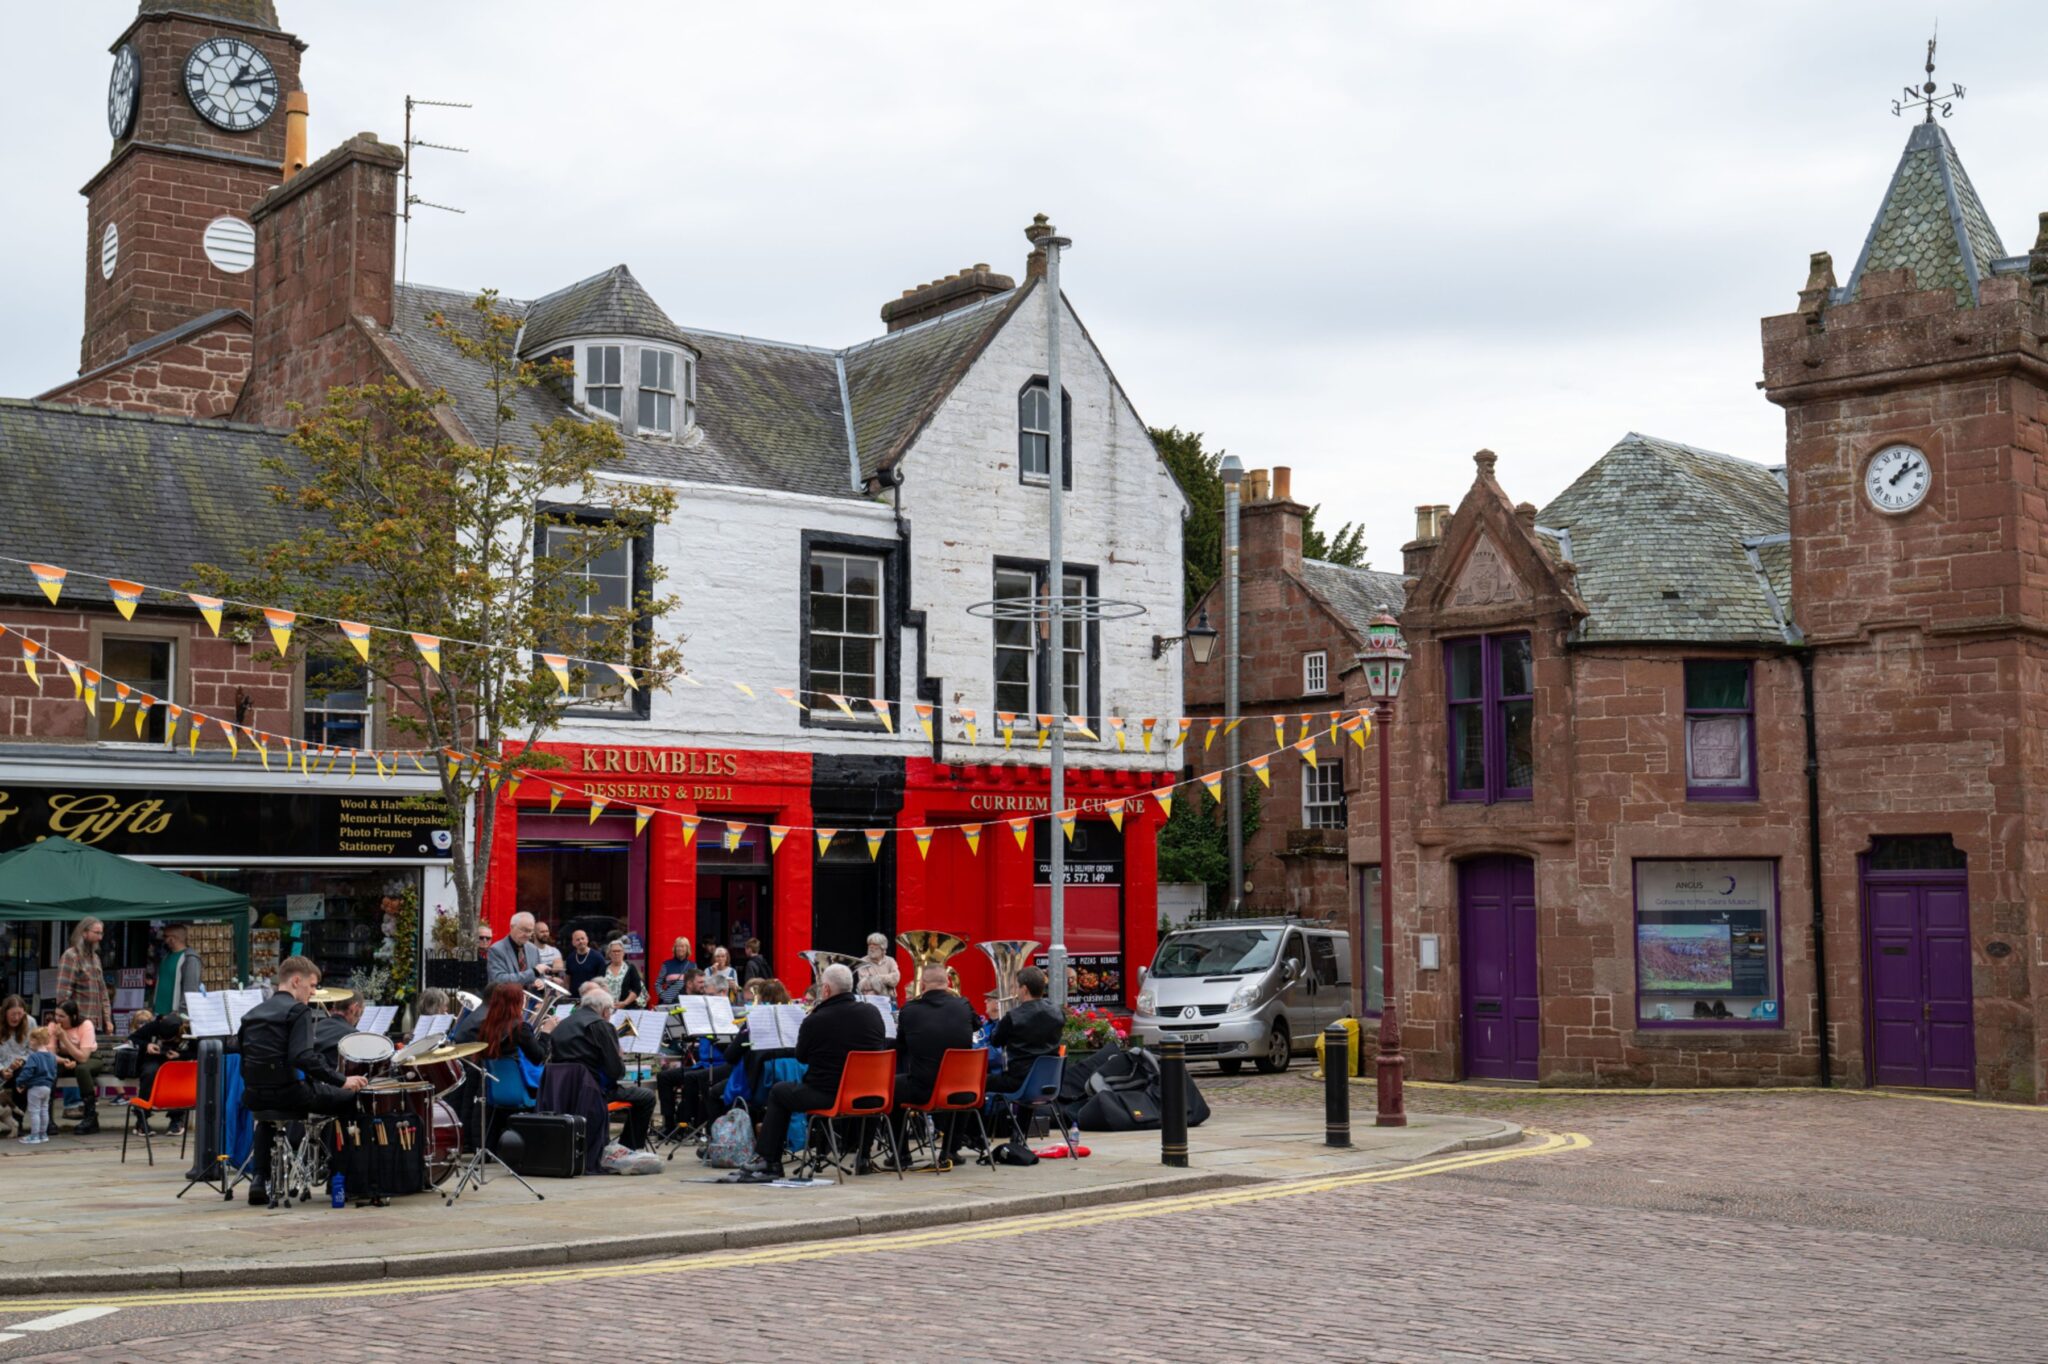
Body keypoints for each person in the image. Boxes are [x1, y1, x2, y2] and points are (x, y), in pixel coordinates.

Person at [237, 956, 368, 1206]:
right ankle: (341, 1179)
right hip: (290, 1094)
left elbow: (242, 1052)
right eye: (312, 986)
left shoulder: (252, 1014)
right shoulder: (298, 1011)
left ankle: (259, 1179)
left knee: (267, 1118)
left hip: (254, 1095)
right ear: (296, 981)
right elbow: (303, 1057)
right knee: (351, 1099)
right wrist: (341, 1081)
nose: (314, 992)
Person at [738, 963, 886, 1182]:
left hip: (830, 1096)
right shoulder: (872, 1012)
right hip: (871, 1096)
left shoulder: (816, 1019)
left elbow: (801, 1056)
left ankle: (769, 1160)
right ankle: (863, 1158)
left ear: (825, 990)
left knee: (780, 1092)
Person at [547, 985, 655, 1151]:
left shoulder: (561, 1025)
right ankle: (627, 1149)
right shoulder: (602, 1026)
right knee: (646, 1096)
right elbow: (615, 1073)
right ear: (605, 1010)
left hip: (562, 1094)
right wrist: (619, 1056)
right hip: (593, 1093)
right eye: (611, 1011)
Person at [891, 963, 977, 1165]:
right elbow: (976, 1025)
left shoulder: (909, 1010)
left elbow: (901, 1047)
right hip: (962, 1090)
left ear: (922, 985)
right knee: (961, 1084)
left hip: (925, 1090)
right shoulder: (964, 1004)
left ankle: (901, 1155)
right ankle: (950, 1151)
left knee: (891, 1087)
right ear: (947, 983)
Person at [990, 965, 1062, 1092]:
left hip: (1020, 1082)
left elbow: (995, 1041)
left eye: (1017, 987)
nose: (1016, 991)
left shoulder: (1013, 1017)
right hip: (1049, 1080)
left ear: (1024, 989)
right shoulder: (1057, 1012)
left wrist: (999, 1019)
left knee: (983, 1081)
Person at [128, 1009, 192, 1135]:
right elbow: (133, 1038)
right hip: (153, 1059)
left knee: (178, 1076)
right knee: (149, 1073)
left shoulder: (188, 1031)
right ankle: (142, 1118)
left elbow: (197, 1051)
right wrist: (147, 1045)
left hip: (176, 1060)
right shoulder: (155, 1025)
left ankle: (176, 1118)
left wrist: (180, 1054)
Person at [51, 999, 103, 1135]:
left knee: (82, 1069)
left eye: (62, 1016)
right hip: (64, 1059)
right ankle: (47, 1118)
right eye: (56, 1015)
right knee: (49, 1069)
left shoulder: (85, 1025)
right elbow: (50, 1055)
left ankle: (90, 1117)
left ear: (73, 1017)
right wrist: (63, 1060)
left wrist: (64, 1039)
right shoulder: (53, 1026)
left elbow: (83, 1057)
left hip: (90, 1058)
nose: (58, 1019)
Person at [57, 917, 111, 1036]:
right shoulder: (71, 956)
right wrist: (67, 1023)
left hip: (97, 1025)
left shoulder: (95, 958)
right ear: (84, 933)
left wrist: (107, 1020)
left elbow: (103, 993)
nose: (100, 937)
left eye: (101, 933)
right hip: (78, 1025)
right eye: (96, 933)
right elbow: (63, 994)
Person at [151, 924, 204, 1019]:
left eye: (165, 936)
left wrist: (181, 1013)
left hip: (176, 1016)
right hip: (160, 1014)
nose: (163, 939)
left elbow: (191, 989)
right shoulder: (166, 957)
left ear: (172, 938)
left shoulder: (190, 959)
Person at [14, 1027, 57, 1145]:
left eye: (31, 1040)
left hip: (35, 1087)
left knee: (34, 1111)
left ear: (37, 1041)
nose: (29, 1043)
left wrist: (19, 1082)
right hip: (47, 1087)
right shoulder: (52, 1056)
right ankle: (43, 1134)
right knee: (44, 1110)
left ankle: (34, 1136)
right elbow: (54, 1072)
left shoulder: (34, 1057)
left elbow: (27, 1071)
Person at [0, 995, 32, 1135]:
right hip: (2, 1064)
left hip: (20, 1065)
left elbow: (34, 1049)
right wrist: (2, 1069)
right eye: (13, 1014)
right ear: (4, 1012)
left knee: (23, 1077)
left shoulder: (30, 1023)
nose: (16, 1018)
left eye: (20, 1014)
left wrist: (22, 1060)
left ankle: (18, 1121)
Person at [486, 912, 545, 988]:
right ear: (511, 927)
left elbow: (540, 975)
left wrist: (540, 982)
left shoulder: (533, 949)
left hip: (530, 998)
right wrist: (533, 972)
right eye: (523, 930)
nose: (527, 934)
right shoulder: (496, 949)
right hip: (506, 998)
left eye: (530, 931)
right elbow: (499, 980)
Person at [312, 991, 363, 1072]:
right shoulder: (352, 1036)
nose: (359, 1017)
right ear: (354, 1008)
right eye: (361, 1011)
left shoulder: (313, 1026)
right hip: (333, 1081)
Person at [599, 938, 645, 1009]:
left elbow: (636, 989)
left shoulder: (630, 968)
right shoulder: (603, 969)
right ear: (609, 953)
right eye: (613, 951)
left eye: (619, 951)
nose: (616, 953)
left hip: (626, 1008)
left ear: (623, 953)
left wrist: (625, 1003)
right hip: (607, 1009)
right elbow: (598, 988)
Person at [854, 933, 899, 1000]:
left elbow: (895, 979)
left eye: (874, 945)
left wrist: (877, 978)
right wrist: (887, 979)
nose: (871, 947)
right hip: (870, 999)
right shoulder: (862, 961)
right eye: (869, 944)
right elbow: (865, 984)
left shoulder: (890, 960)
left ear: (882, 948)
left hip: (890, 1000)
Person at [562, 928, 607, 994]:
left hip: (592, 996)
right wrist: (566, 993)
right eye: (577, 940)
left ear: (587, 940)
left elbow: (602, 981)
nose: (581, 941)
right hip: (574, 997)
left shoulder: (598, 957)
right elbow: (568, 978)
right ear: (573, 943)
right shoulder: (570, 958)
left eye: (583, 938)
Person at [656, 937, 695, 1001]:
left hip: (686, 1002)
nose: (679, 949)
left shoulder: (693, 966)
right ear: (674, 948)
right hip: (669, 1003)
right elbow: (658, 984)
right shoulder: (666, 964)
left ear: (687, 948)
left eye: (682, 946)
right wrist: (663, 996)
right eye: (677, 946)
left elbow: (695, 985)